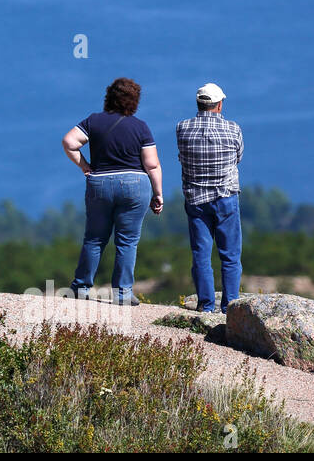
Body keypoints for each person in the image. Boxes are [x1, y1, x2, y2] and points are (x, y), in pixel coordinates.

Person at [62, 77, 164, 305]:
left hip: (100, 183)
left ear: (109, 97)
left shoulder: (94, 121)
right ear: (134, 101)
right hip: (135, 186)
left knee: (94, 238)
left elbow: (69, 142)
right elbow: (152, 164)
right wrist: (158, 193)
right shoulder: (141, 127)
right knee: (127, 241)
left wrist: (84, 165)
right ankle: (123, 294)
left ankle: (80, 286)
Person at [175, 83, 244, 313]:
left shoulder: (182, 128)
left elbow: (181, 157)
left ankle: (206, 305)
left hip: (195, 199)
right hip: (225, 198)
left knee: (201, 255)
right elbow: (238, 157)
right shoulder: (233, 129)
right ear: (219, 105)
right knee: (230, 256)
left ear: (199, 104)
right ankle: (230, 306)